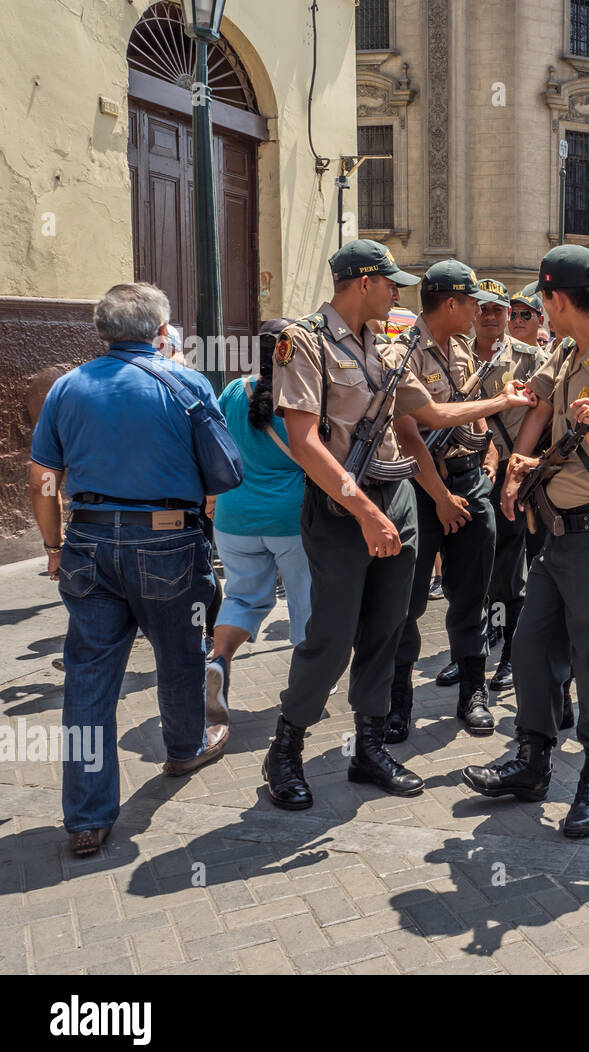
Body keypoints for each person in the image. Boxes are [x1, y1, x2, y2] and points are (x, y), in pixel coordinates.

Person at [261, 240, 534, 812]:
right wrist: (365, 512)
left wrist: (496, 403)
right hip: (342, 510)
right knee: (333, 637)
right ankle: (286, 747)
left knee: (388, 627)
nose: (397, 293)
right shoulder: (304, 344)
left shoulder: (384, 349)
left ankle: (368, 746)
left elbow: (428, 416)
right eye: (390, 284)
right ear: (363, 284)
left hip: (397, 499)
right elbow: (304, 443)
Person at [463, 245, 589, 839]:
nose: (539, 311)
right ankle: (532, 762)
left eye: (541, 301)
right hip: (554, 531)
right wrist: (518, 464)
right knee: (531, 648)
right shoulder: (566, 349)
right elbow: (540, 404)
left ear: (555, 299)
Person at [28, 282, 230, 857]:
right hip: (167, 540)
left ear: (102, 331)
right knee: (181, 653)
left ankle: (87, 819)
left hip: (88, 543)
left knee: (89, 678)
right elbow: (224, 473)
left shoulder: (68, 387)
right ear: (161, 331)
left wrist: (52, 545)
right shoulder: (187, 382)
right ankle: (185, 746)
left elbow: (43, 475)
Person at [386, 265, 504, 743]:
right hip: (420, 489)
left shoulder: (459, 350)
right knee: (406, 604)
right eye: (472, 301)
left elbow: (470, 420)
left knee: (471, 595)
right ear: (451, 303)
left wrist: (487, 462)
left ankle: (472, 692)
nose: (479, 310)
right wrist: (440, 499)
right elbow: (409, 433)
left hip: (467, 482)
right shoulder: (401, 352)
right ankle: (398, 703)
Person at [206, 319, 312, 725]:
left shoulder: (234, 390)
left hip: (234, 518)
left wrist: (211, 496)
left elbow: (213, 443)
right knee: (305, 599)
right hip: (290, 519)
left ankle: (218, 662)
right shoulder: (303, 395)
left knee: (242, 598)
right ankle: (306, 686)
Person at [480, 289, 548, 694]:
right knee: (488, 569)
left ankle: (512, 653)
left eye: (499, 310)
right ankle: (484, 641)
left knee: (518, 567)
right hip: (478, 473)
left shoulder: (532, 358)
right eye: (482, 308)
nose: (491, 316)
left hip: (519, 474)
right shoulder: (461, 358)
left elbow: (550, 414)